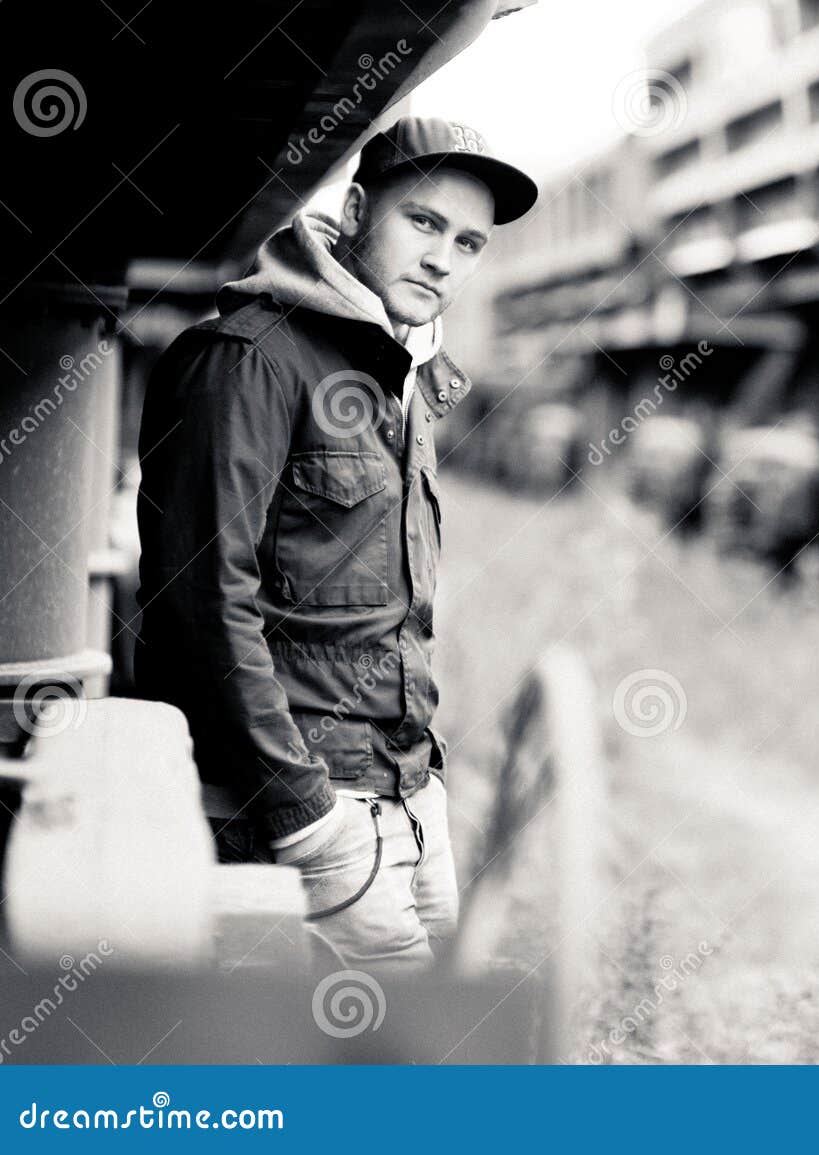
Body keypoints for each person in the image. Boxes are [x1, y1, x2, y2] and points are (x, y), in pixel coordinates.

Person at [134, 118, 538, 971]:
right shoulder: (250, 360)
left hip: (409, 797)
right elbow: (199, 603)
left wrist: (424, 788)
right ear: (356, 211)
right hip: (304, 809)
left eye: (468, 243)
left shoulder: (401, 374)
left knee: (441, 1034)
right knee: (388, 1046)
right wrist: (304, 811)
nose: (443, 260)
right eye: (422, 222)